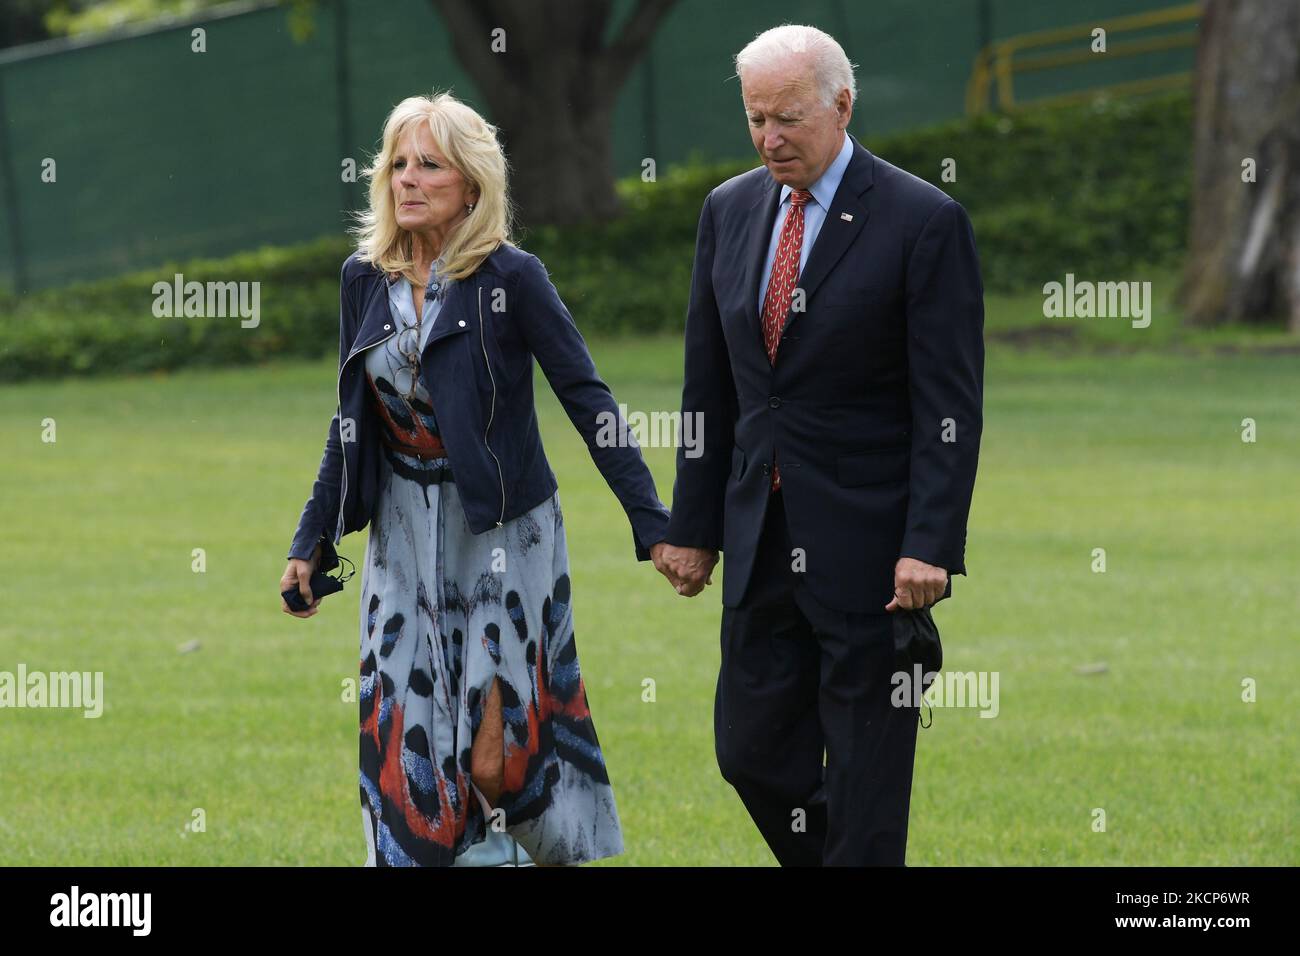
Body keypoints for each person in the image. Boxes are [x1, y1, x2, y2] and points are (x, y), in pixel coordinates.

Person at [279, 91, 675, 866]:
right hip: (399, 532)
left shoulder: (512, 278)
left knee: (499, 761)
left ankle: (556, 852)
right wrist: (309, 542)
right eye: (398, 163)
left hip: (502, 535)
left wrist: (651, 522)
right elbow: (348, 421)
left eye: (429, 164)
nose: (408, 179)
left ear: (471, 183)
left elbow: (587, 397)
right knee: (410, 749)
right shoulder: (364, 278)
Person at [656, 25, 984, 865]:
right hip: (757, 539)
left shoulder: (922, 220)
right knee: (749, 751)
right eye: (756, 119)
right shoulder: (727, 211)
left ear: (843, 105)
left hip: (874, 555)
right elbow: (709, 389)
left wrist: (930, 545)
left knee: (869, 772)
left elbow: (949, 403)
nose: (770, 138)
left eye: (789, 118)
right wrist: (692, 527)